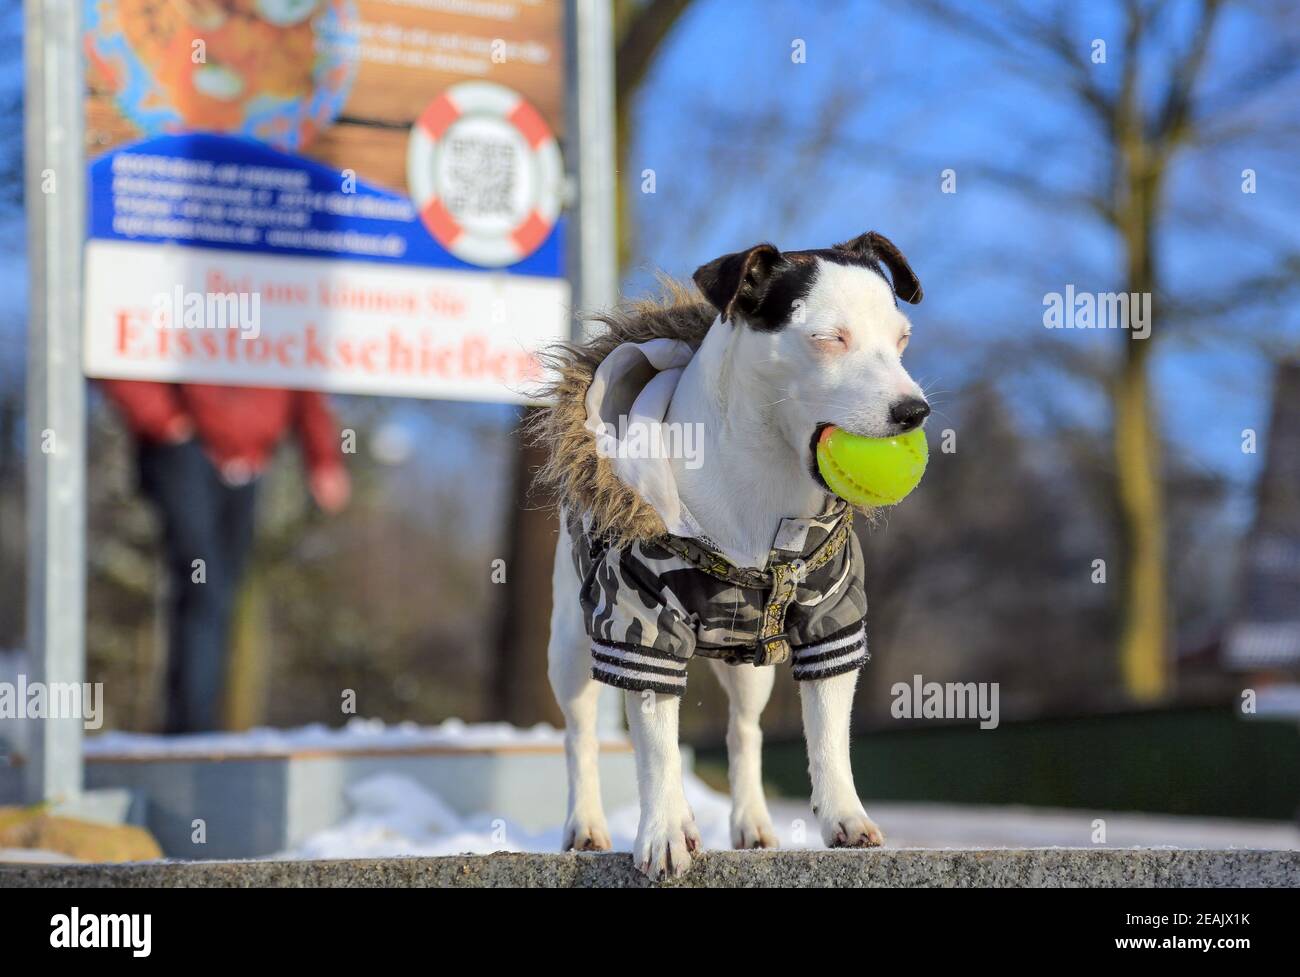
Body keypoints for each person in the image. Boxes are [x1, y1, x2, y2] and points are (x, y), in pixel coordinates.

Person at [101, 380, 350, 732]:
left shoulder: (279, 328)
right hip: (184, 451)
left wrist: (323, 458)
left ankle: (202, 727)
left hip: (249, 463)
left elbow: (300, 373)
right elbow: (120, 349)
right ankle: (191, 731)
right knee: (203, 587)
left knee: (223, 596)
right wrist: (163, 419)